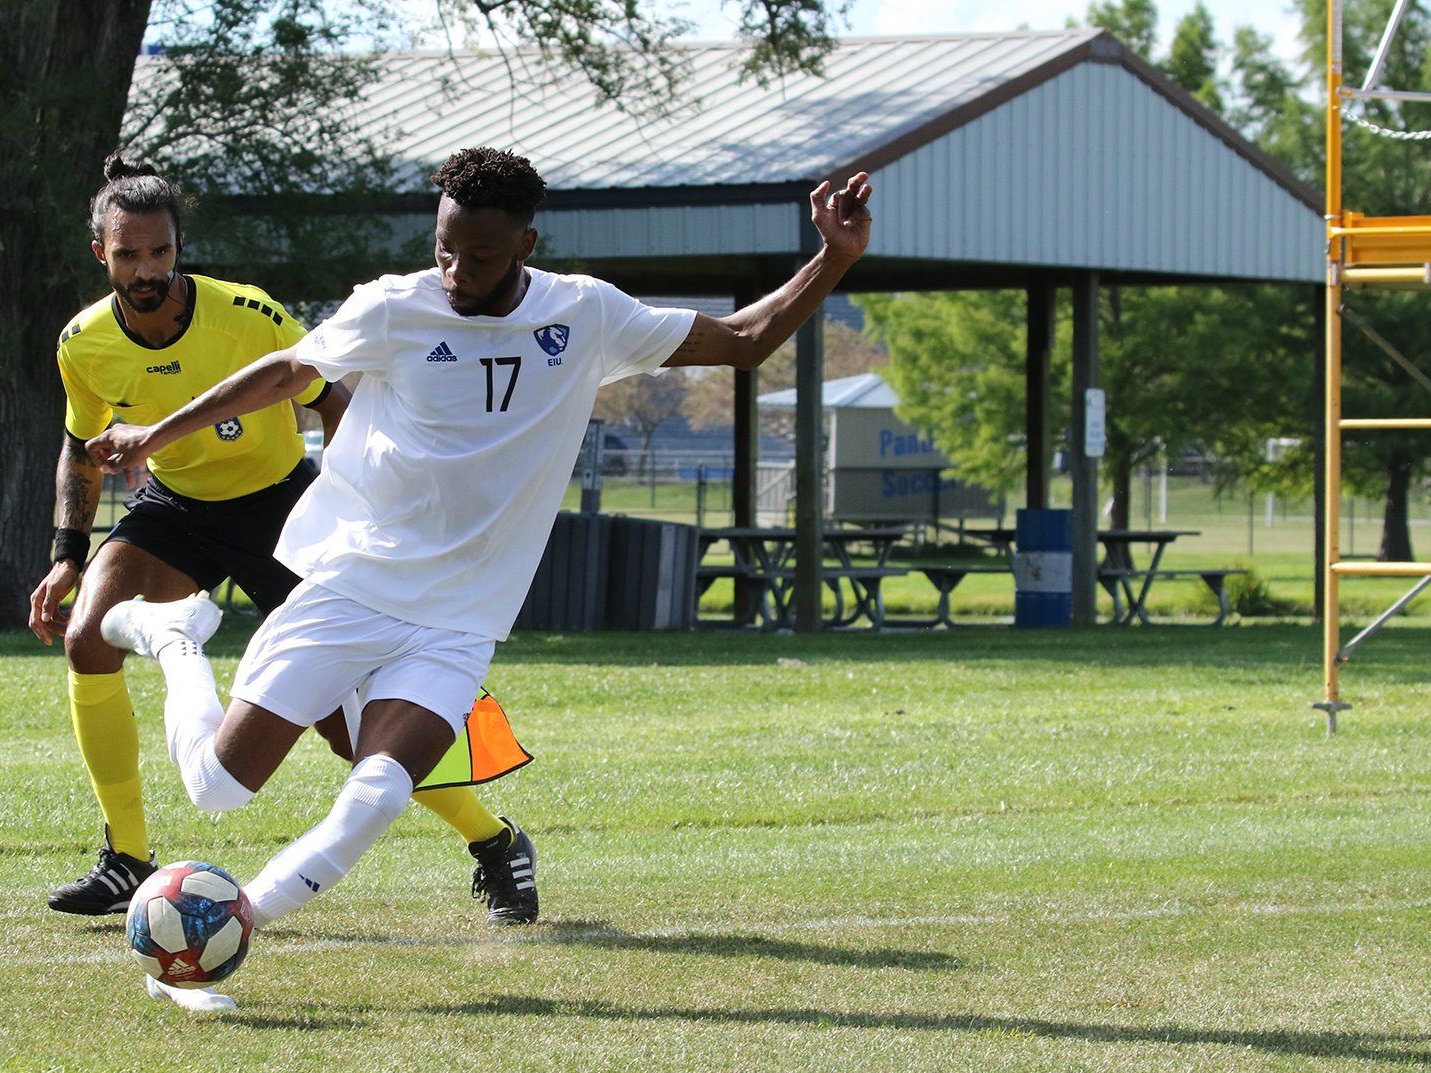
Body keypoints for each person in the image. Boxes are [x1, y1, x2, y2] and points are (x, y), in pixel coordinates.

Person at [87, 146, 872, 933]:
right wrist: (156, 432)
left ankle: (237, 920)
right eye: (445, 248)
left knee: (383, 788)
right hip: (353, 581)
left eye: (482, 254)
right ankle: (176, 638)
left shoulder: (585, 313)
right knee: (217, 788)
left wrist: (832, 258)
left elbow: (743, 339)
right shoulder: (394, 306)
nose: (458, 270)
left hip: (462, 615)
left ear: (526, 246)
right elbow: (286, 373)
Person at [28, 153, 537, 922]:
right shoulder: (82, 343)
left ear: (178, 247)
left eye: (160, 251)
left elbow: (336, 399)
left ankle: (493, 840)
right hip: (176, 506)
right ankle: (127, 859)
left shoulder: (248, 314)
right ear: (101, 253)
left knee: (351, 728)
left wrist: (357, 501)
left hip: (283, 512)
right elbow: (80, 442)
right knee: (89, 636)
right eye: (128, 254)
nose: (146, 269)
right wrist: (67, 556)